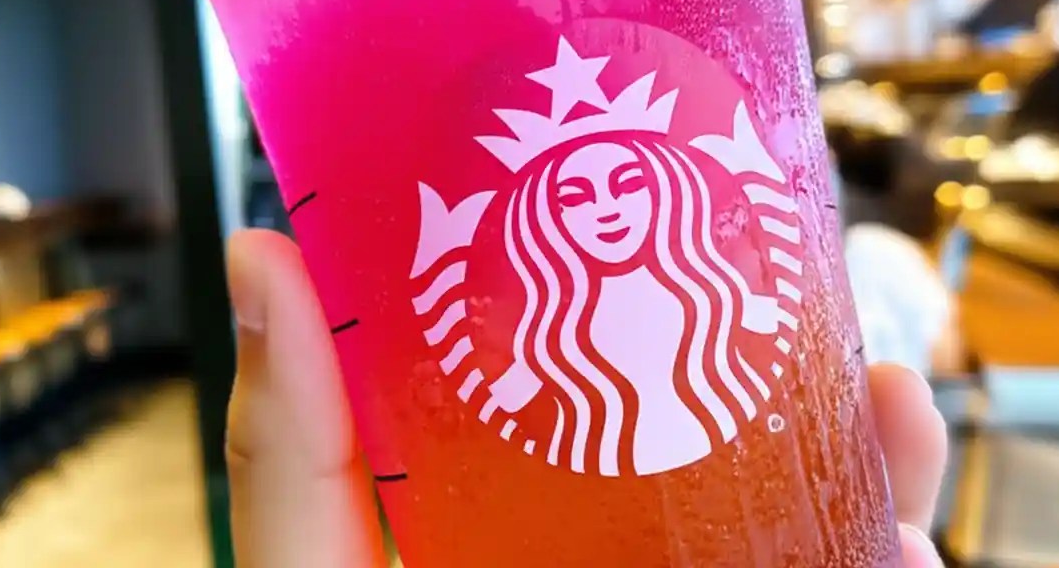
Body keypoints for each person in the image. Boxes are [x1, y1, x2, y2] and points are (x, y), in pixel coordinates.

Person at [223, 229, 949, 568]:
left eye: (626, 186)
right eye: (576, 195)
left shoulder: (719, 312)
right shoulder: (535, 354)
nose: (605, 212)